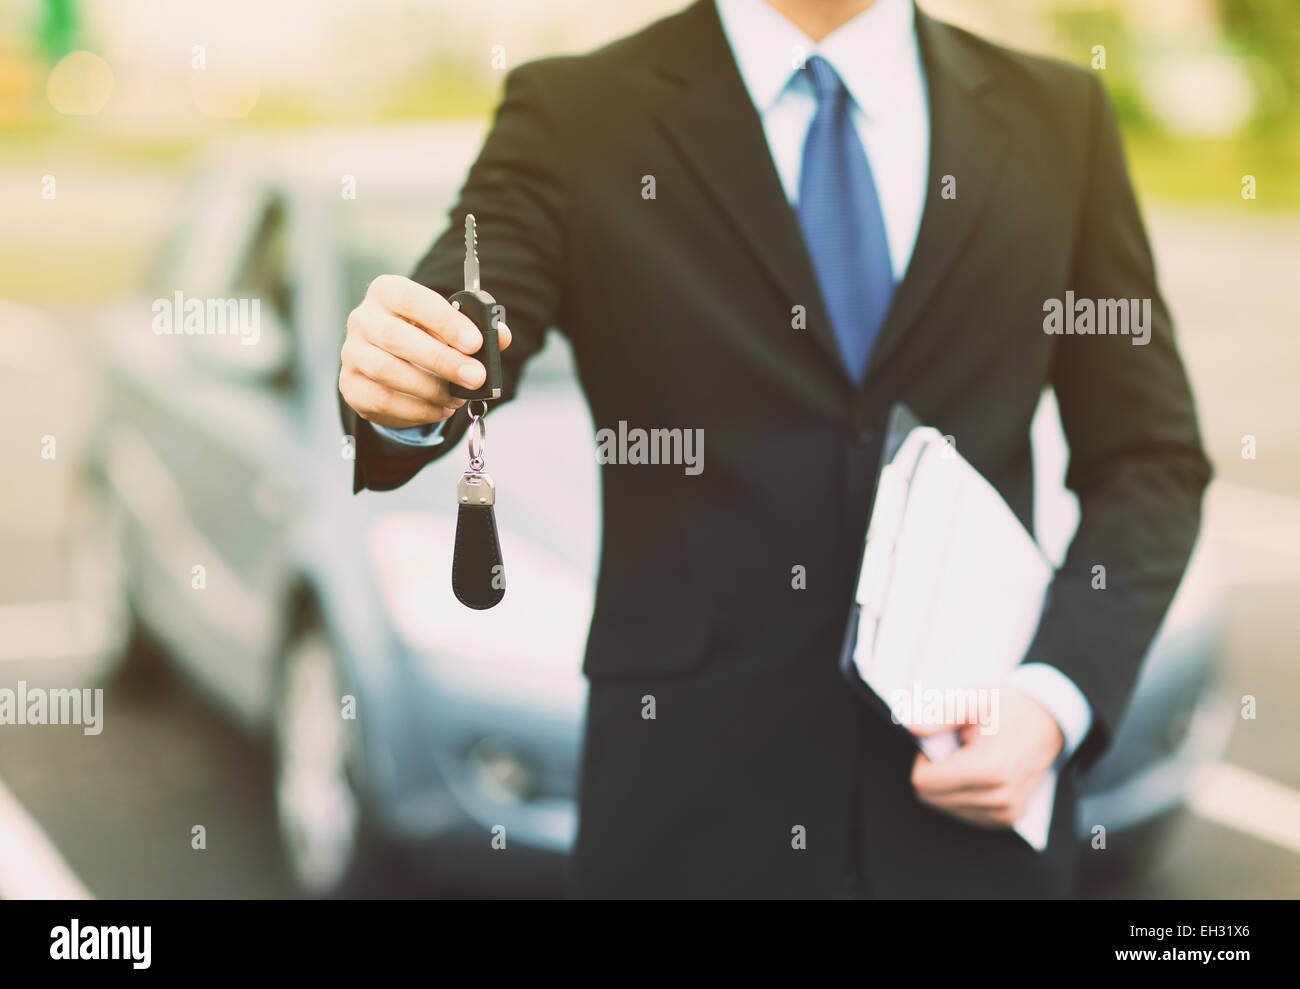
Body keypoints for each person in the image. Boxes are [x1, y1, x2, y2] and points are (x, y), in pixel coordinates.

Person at [337, 0, 1211, 898]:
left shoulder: (1059, 116)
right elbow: (474, 302)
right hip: (686, 821)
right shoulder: (576, 112)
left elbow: (1151, 458)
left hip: (978, 814)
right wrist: (414, 371)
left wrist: (1055, 698)